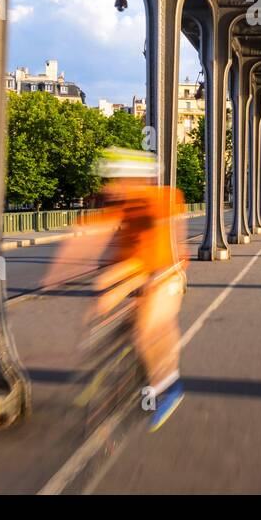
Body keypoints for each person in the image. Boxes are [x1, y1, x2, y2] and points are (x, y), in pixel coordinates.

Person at [88, 147, 187, 432]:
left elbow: (155, 256)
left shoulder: (160, 202)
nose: (113, 188)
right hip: (141, 271)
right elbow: (111, 249)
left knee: (148, 330)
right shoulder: (122, 207)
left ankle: (169, 385)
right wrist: (105, 283)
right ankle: (137, 376)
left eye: (120, 182)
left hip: (166, 273)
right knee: (123, 319)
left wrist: (119, 285)